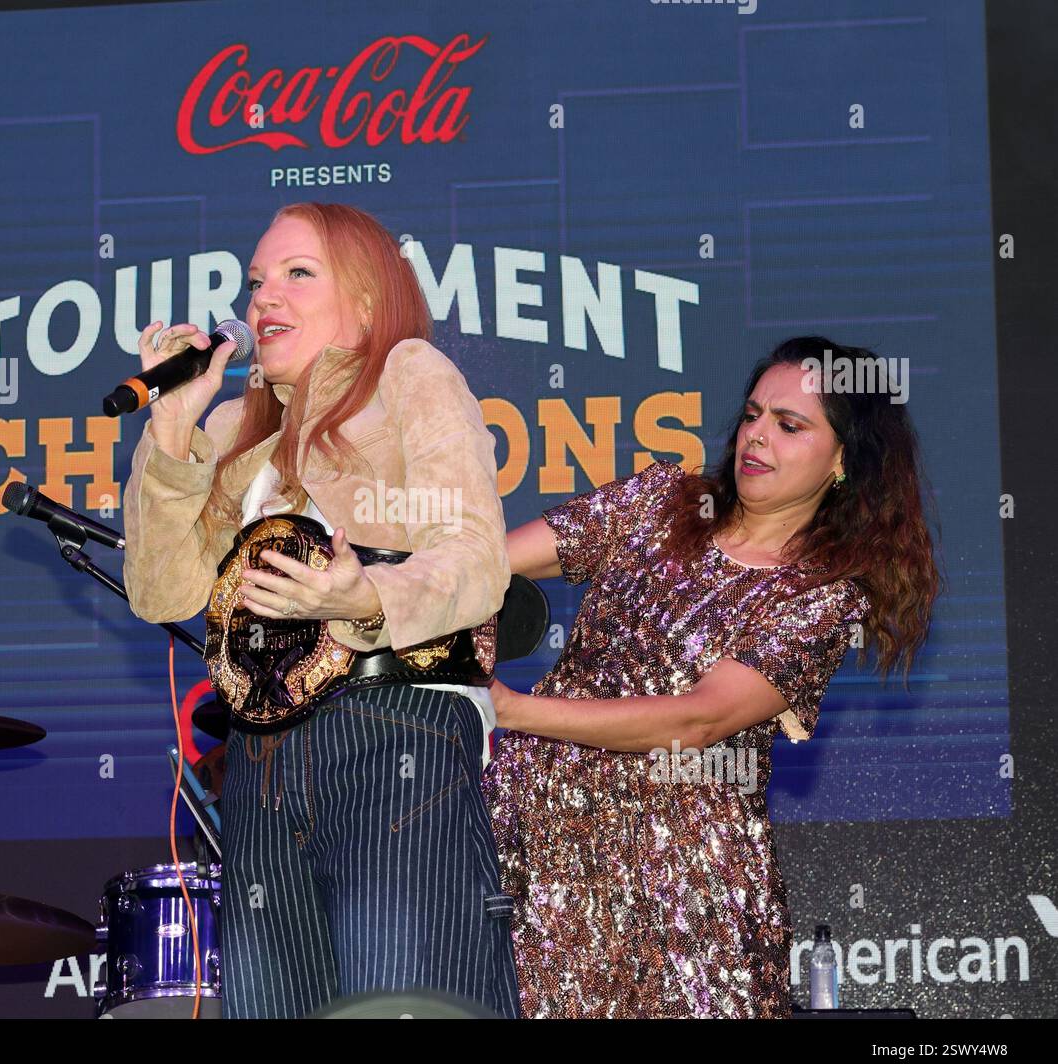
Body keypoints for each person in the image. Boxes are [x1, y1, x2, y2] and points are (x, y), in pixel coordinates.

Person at [121, 202, 520, 1019]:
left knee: (400, 1003)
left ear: (370, 298)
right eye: (256, 281)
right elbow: (161, 593)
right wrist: (170, 434)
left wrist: (365, 596)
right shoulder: (235, 430)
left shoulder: (409, 374)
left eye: (299, 274)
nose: (265, 297)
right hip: (261, 761)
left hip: (392, 729)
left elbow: (478, 559)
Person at [481, 336, 940, 1018]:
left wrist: (510, 711)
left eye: (790, 426)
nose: (756, 436)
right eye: (754, 414)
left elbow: (698, 719)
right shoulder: (661, 499)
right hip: (541, 862)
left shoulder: (821, 596)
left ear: (844, 460)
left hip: (684, 898)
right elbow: (482, 566)